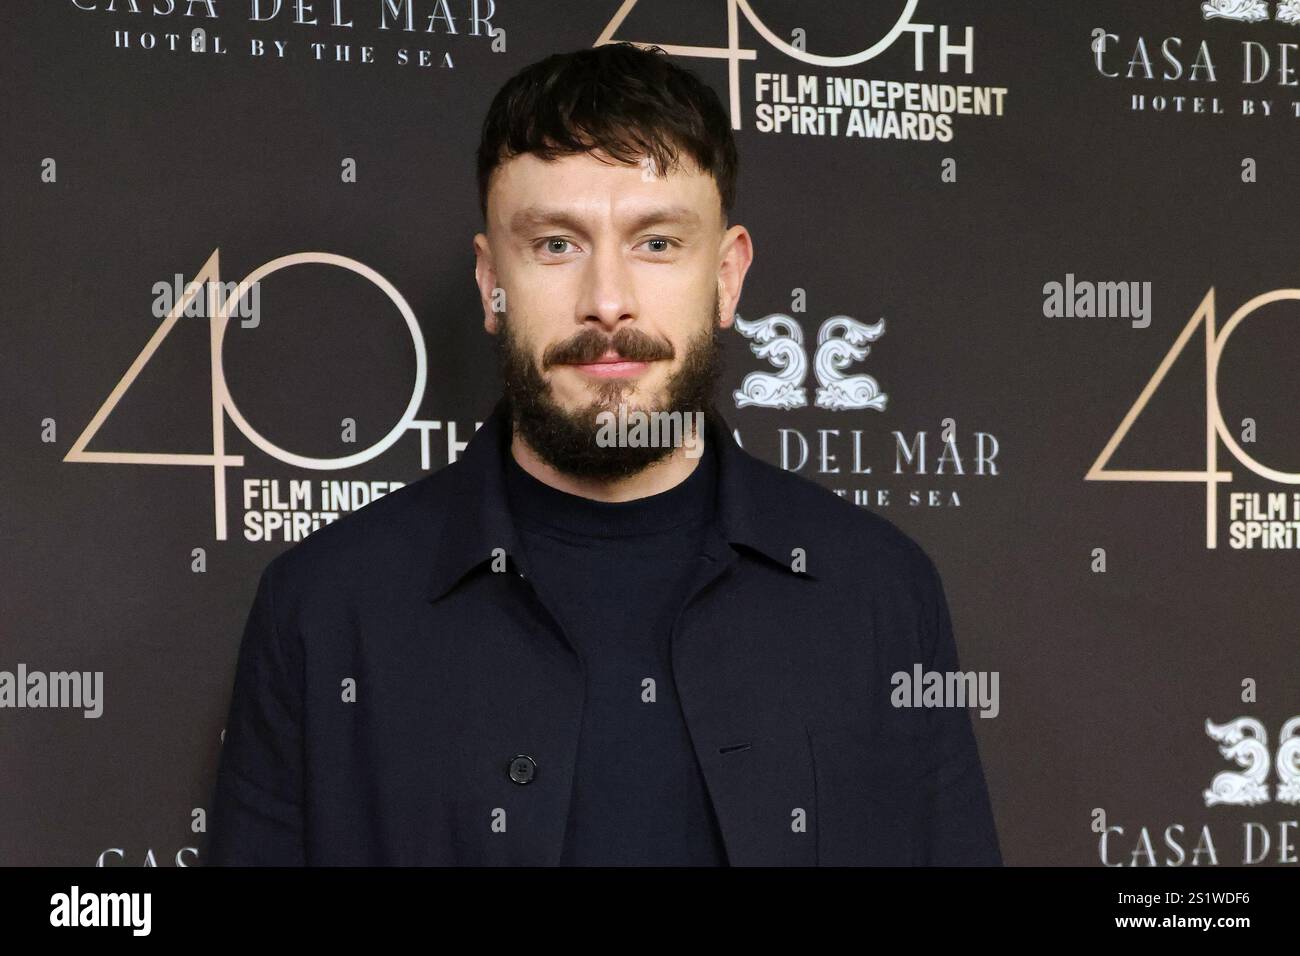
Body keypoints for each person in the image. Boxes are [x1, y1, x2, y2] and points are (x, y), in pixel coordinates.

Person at [206, 42, 1001, 866]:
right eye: (556, 244)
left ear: (727, 278)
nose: (608, 302)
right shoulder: (326, 608)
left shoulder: (879, 594)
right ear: (491, 284)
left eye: (657, 243)